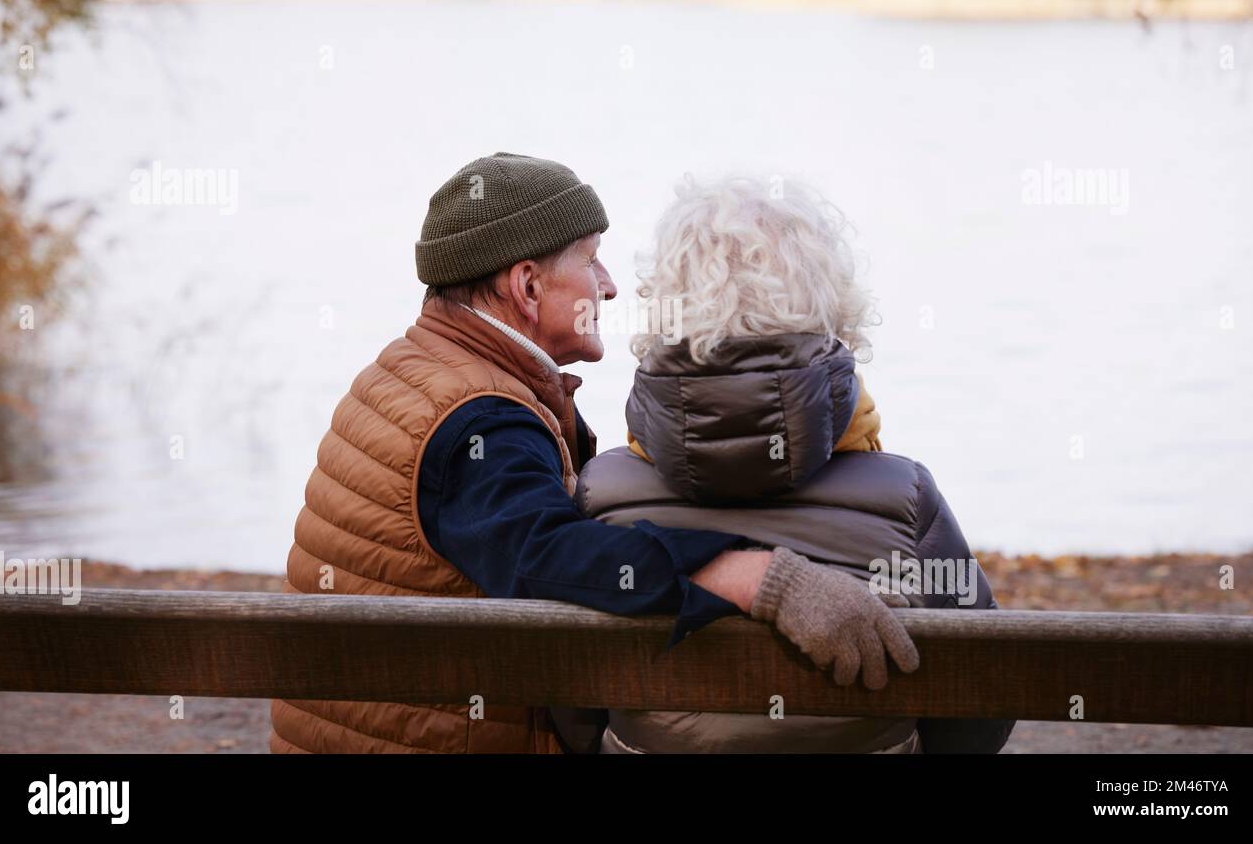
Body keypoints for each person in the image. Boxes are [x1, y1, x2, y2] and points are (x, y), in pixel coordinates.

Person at [268, 153, 919, 753]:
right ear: (526, 286)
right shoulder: (478, 422)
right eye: (591, 260)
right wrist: (756, 577)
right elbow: (545, 557)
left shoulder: (424, 372)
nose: (609, 287)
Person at [576, 173, 1016, 753]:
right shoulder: (905, 497)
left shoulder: (602, 493)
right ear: (830, 303)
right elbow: (981, 703)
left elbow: (572, 707)